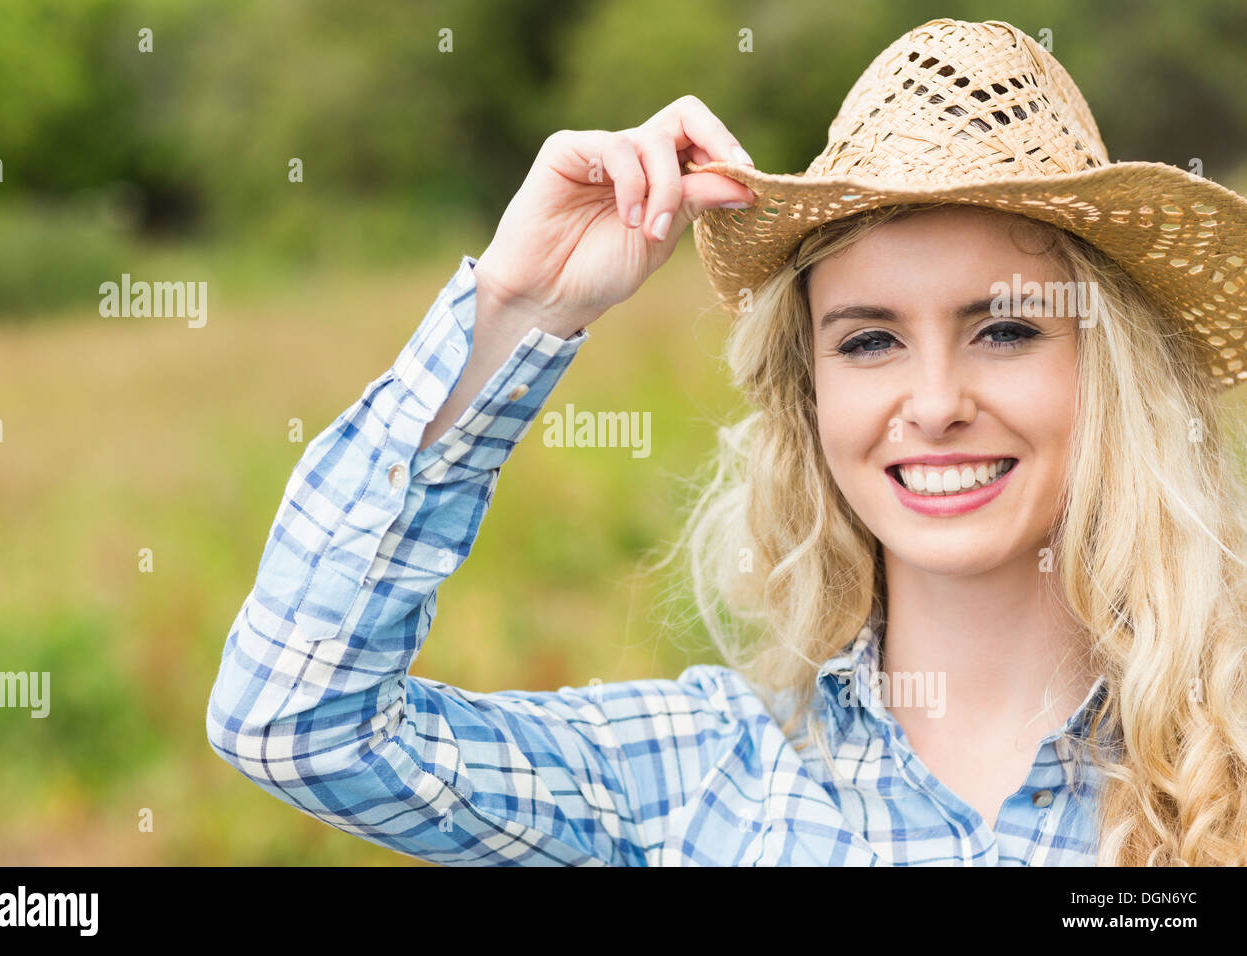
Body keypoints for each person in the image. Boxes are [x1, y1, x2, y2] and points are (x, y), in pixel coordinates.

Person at [206, 18, 1247, 865]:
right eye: (870, 339)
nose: (932, 403)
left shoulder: (1225, 763)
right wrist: (518, 308)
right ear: (808, 397)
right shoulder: (690, 778)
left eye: (1005, 327)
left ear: (1110, 374)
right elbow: (295, 720)